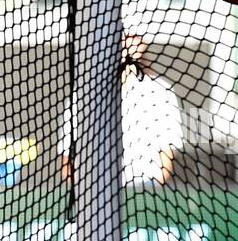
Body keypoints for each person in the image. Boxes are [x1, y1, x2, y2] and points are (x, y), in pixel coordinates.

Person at [60, 31, 184, 187]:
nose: (130, 42)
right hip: (97, 187)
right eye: (125, 37)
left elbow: (167, 149)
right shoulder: (84, 92)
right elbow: (68, 155)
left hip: (146, 185)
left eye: (135, 37)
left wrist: (158, 183)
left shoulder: (160, 90)